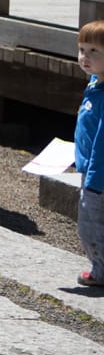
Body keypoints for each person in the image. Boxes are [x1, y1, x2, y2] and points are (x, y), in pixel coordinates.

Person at [75, 21, 104, 286]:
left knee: (92, 224)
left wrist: (94, 179)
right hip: (89, 167)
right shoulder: (94, 84)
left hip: (98, 176)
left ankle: (100, 270)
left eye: (94, 51)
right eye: (82, 49)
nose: (85, 56)